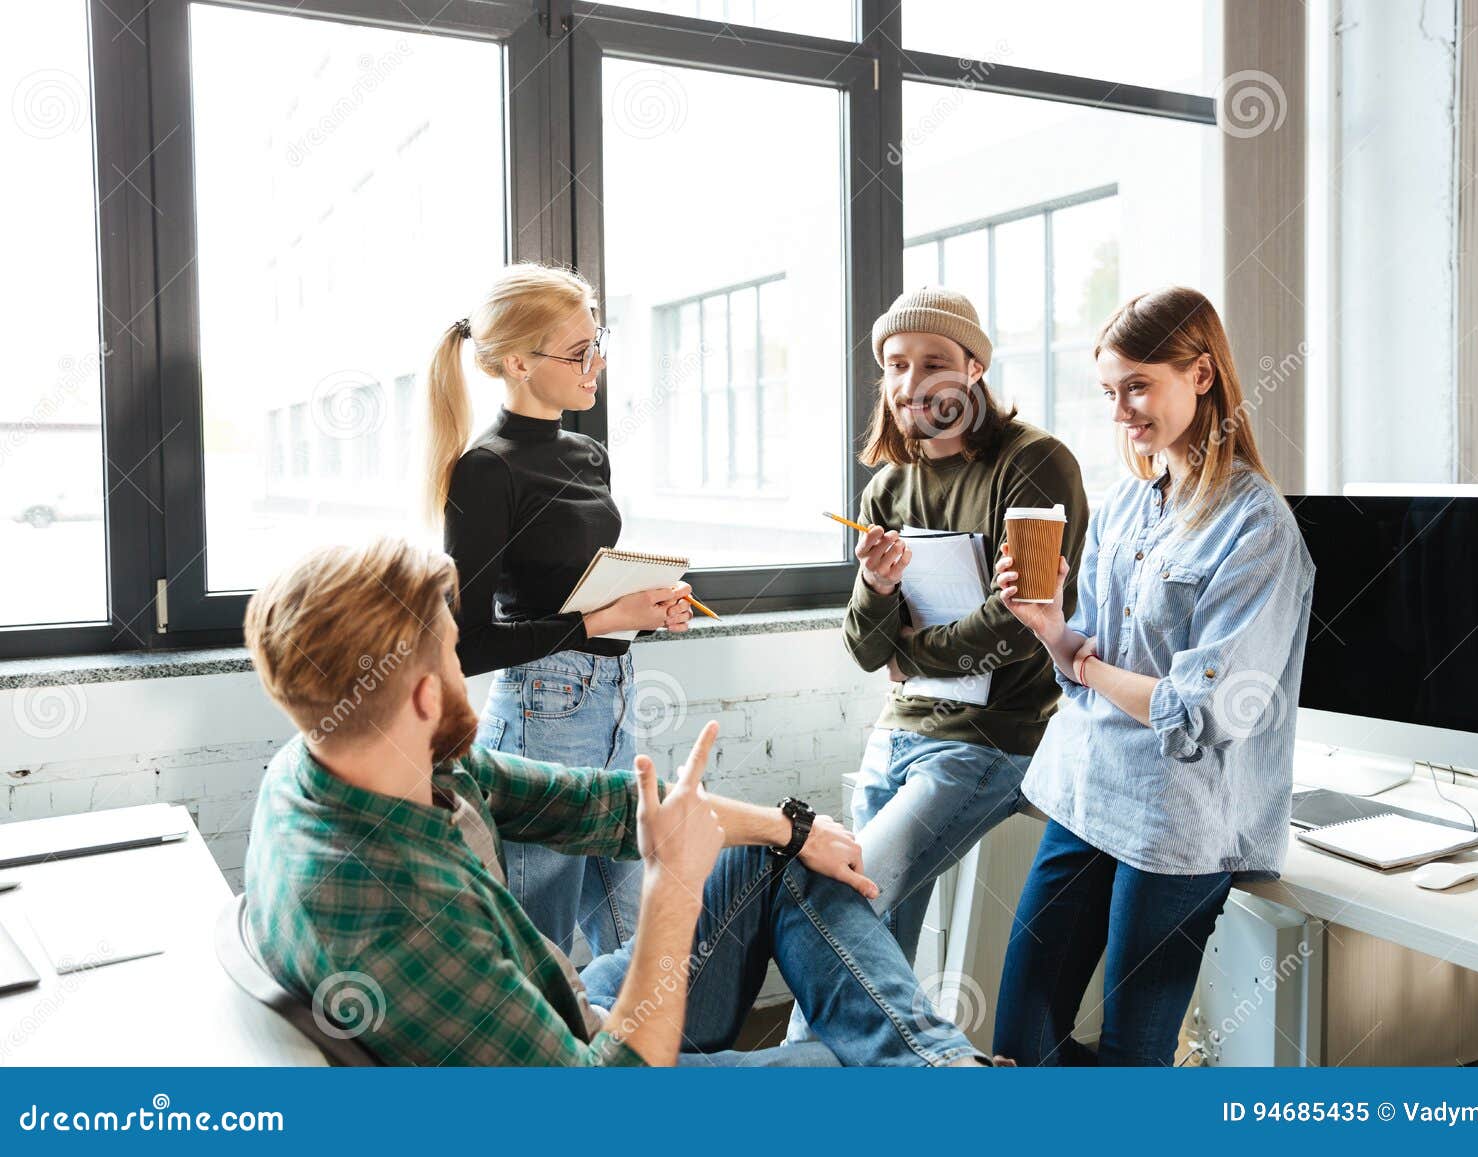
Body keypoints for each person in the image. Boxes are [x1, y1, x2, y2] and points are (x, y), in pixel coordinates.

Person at [241, 537, 988, 1067]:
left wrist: (788, 826)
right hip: (601, 1065)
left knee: (786, 855)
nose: (468, 668)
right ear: (425, 694)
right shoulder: (396, 912)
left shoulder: (342, 757)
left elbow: (586, 802)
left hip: (569, 1002)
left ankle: (947, 1072)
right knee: (849, 1064)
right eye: (452, 652)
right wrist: (671, 887)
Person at [991, 286, 1315, 1066]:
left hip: (1180, 822)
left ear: (1201, 374)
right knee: (1019, 1037)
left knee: (1133, 1053)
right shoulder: (1126, 504)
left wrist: (1089, 662)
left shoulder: (1257, 524)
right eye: (1110, 391)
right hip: (1089, 785)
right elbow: (1088, 661)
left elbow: (1200, 713)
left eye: (1138, 385)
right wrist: (1050, 626)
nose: (1120, 411)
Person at [788, 287, 1088, 1043]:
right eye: (896, 365)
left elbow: (1022, 621)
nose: (913, 382)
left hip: (989, 740)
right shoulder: (888, 485)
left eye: (934, 363)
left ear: (975, 369)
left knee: (843, 909)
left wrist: (911, 651)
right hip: (900, 732)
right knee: (866, 924)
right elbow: (863, 649)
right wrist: (879, 585)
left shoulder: (1035, 464)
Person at [421, 262, 689, 956]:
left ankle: (636, 1061)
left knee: (631, 936)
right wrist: (599, 621)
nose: (594, 364)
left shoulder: (591, 454)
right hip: (544, 712)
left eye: (597, 343)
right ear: (516, 360)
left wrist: (644, 610)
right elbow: (467, 643)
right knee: (541, 940)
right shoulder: (486, 469)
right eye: (577, 352)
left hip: (613, 700)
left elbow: (578, 587)